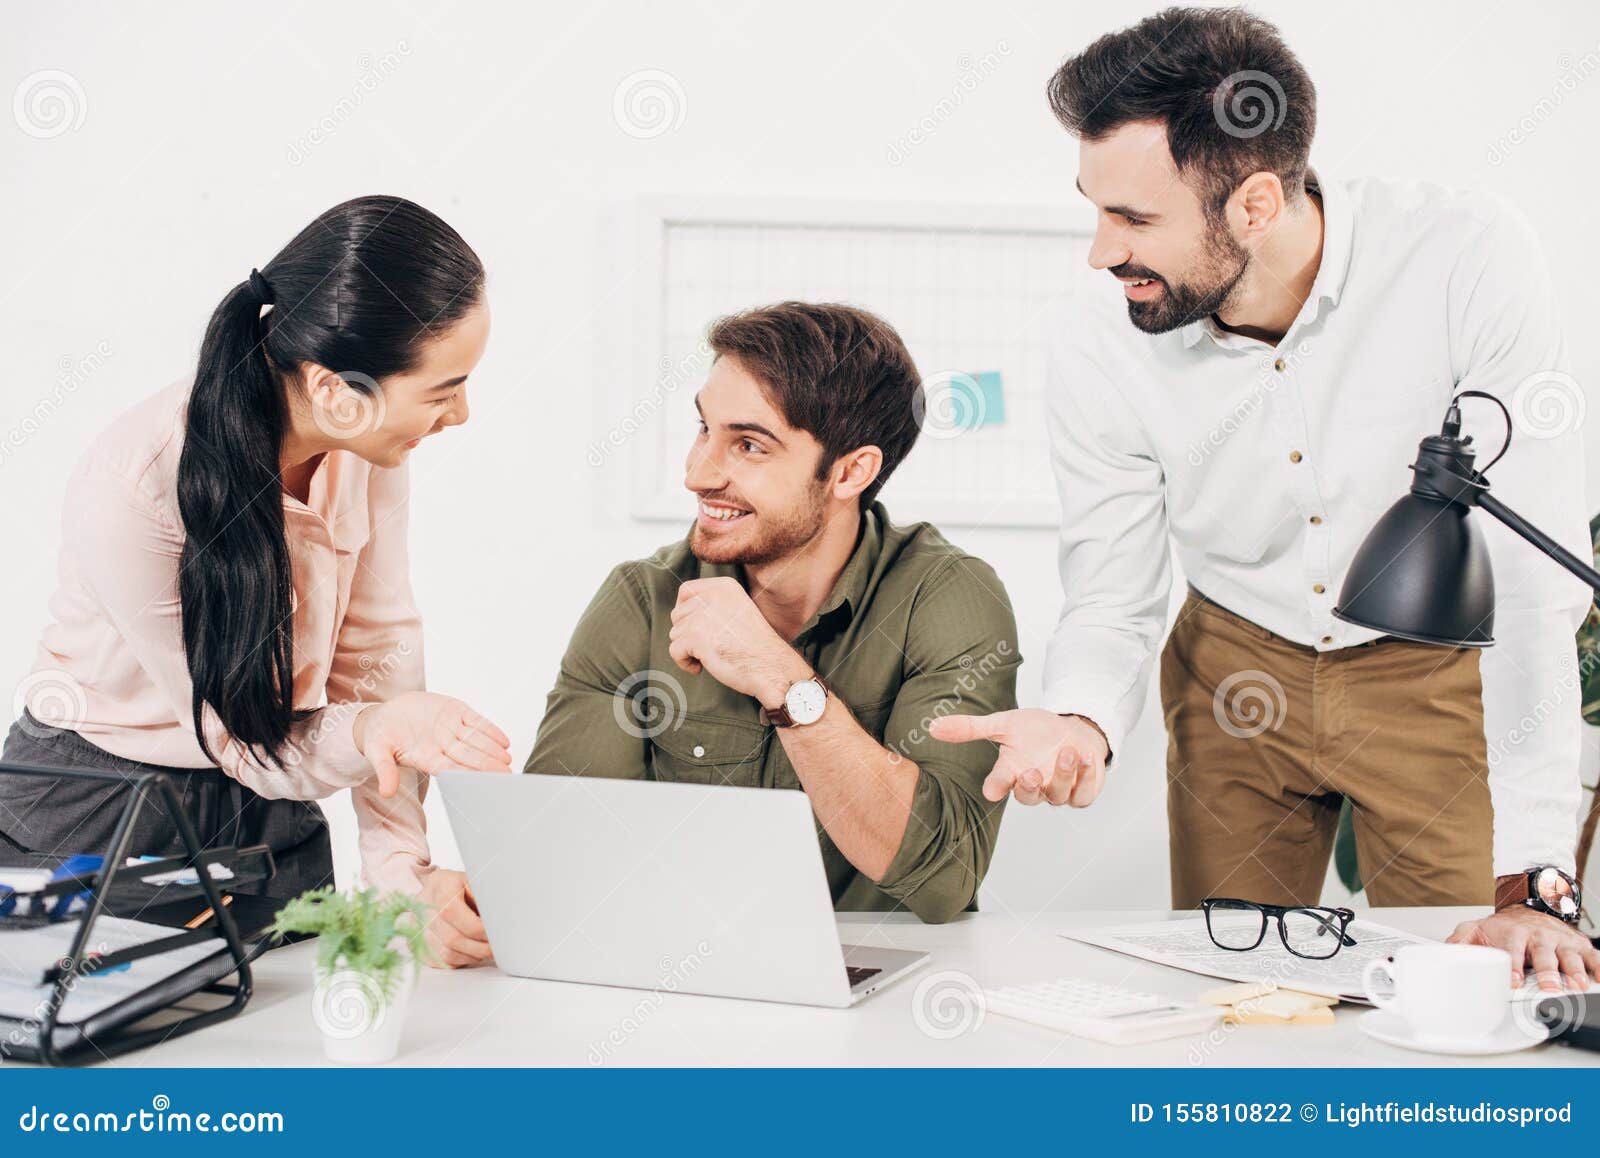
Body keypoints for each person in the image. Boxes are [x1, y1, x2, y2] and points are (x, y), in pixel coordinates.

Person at [932, 7, 1600, 989]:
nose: (1098, 252)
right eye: (1095, 208)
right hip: (1231, 670)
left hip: (1430, 675)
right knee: (1230, 994)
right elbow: (1111, 587)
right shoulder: (1091, 337)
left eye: (1134, 221)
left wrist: (1534, 874)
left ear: (1251, 205)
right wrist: (1078, 717)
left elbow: (1532, 581)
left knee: (1466, 982)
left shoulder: (1465, 256)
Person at [2, 195, 511, 968]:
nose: (462, 414)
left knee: (295, 1043)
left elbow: (384, 665)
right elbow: (246, 738)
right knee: (131, 1047)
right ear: (339, 390)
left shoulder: (369, 450)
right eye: (444, 389)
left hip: (266, 812)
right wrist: (375, 729)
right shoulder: (132, 488)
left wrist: (403, 882)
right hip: (105, 812)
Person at [525, 302, 1018, 923]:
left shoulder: (947, 598)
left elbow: (943, 881)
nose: (698, 473)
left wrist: (783, 682)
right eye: (704, 429)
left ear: (849, 471)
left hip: (883, 987)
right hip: (683, 980)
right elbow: (558, 856)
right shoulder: (642, 599)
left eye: (749, 445)